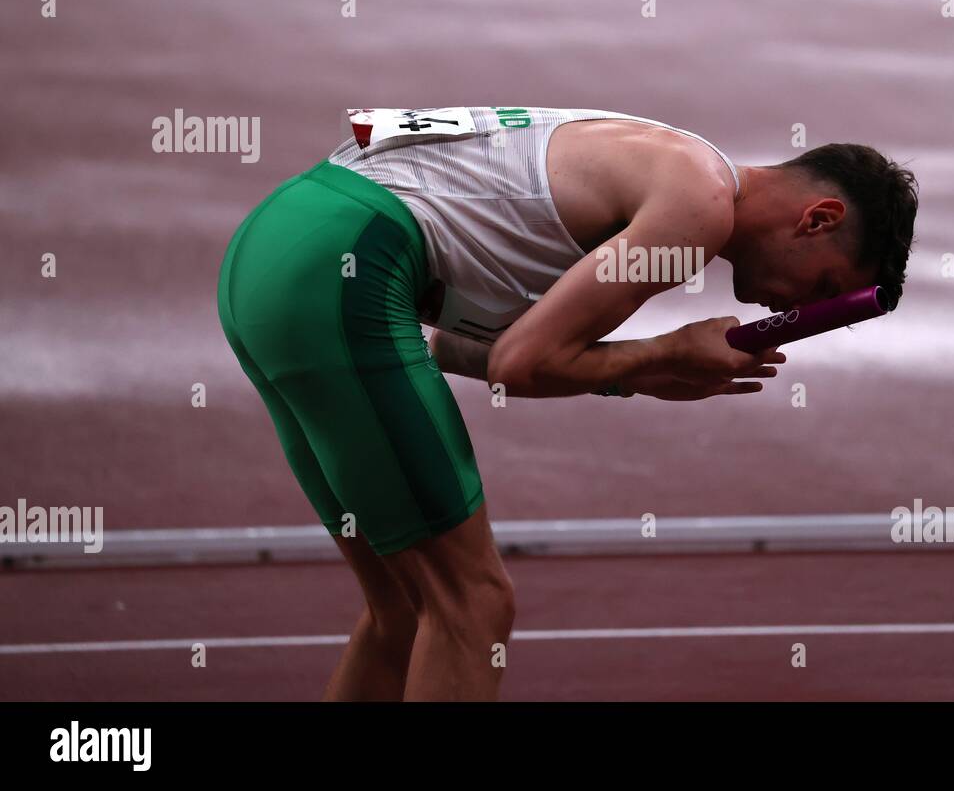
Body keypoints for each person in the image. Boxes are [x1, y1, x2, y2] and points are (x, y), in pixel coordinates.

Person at [216, 106, 918, 700]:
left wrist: (638, 370)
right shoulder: (696, 209)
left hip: (274, 253)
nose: (799, 310)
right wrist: (663, 355)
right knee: (474, 606)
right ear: (818, 219)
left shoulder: (661, 164)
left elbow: (469, 352)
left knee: (404, 608)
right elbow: (522, 367)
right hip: (344, 267)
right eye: (824, 290)